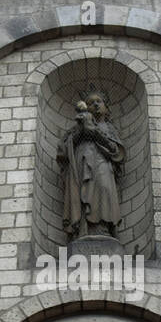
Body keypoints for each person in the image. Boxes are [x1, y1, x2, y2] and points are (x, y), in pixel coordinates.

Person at [58, 90, 125, 239]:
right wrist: (81, 131)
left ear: (106, 107)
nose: (95, 104)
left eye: (98, 101)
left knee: (104, 189)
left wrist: (96, 134)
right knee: (83, 193)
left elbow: (117, 151)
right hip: (82, 162)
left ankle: (104, 230)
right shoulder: (76, 128)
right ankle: (83, 231)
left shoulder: (110, 129)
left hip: (102, 163)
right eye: (90, 103)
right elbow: (63, 151)